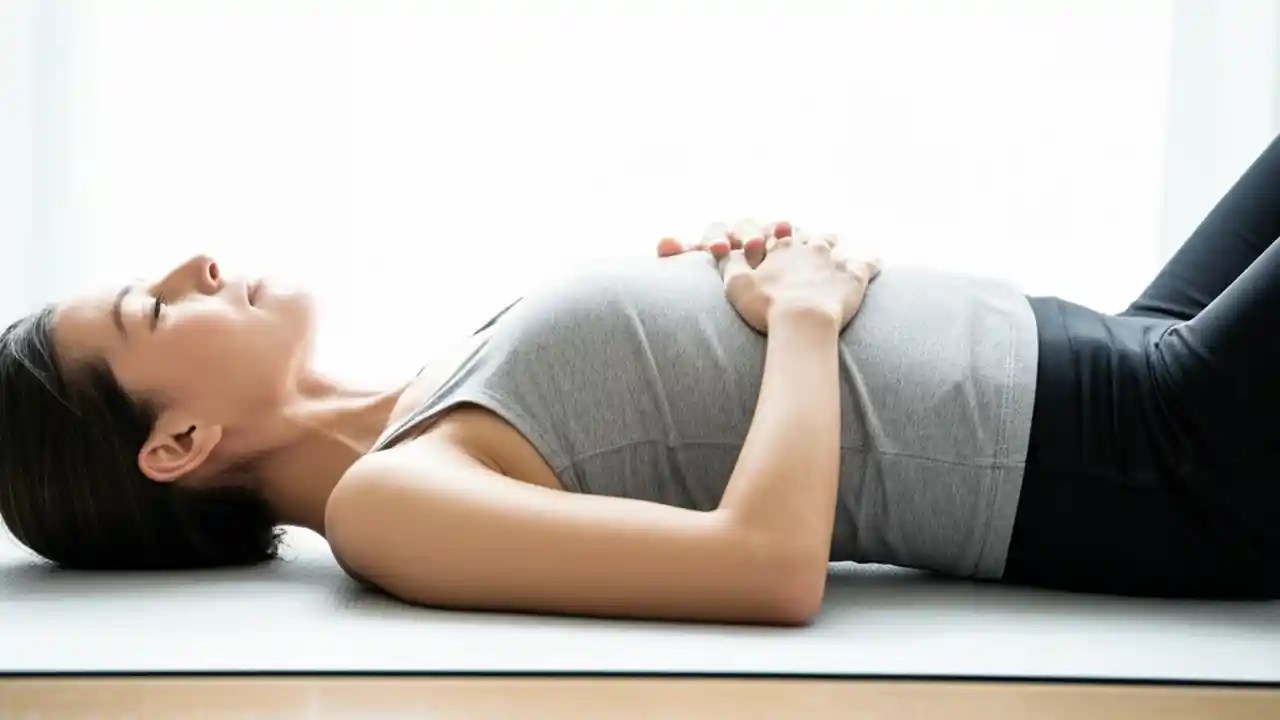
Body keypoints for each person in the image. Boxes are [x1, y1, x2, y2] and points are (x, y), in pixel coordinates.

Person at [2, 134, 1278, 627]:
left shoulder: (425, 392)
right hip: (1148, 452)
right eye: (146, 307)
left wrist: (734, 301)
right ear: (172, 443)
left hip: (1113, 351)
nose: (191, 267)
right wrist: (797, 322)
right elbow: (762, 568)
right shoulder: (386, 507)